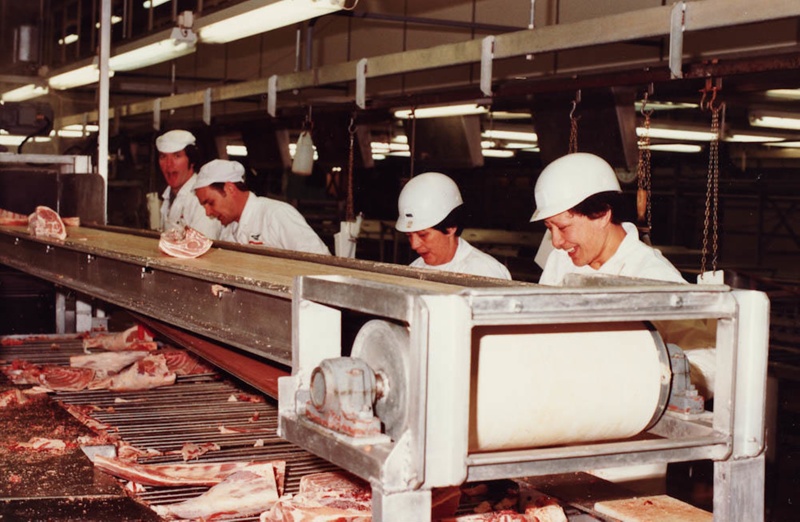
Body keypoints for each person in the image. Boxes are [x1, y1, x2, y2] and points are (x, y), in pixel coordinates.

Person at [530, 152, 686, 285]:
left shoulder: (654, 277)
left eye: (563, 227)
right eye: (550, 228)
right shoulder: (560, 260)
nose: (556, 243)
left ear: (602, 215)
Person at [194, 159, 331, 255]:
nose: (207, 212)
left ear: (230, 188)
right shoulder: (228, 230)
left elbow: (321, 262)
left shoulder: (276, 215)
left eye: (210, 203)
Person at [396, 172, 511, 280]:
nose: (414, 245)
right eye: (409, 236)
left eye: (423, 235)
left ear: (450, 228)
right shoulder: (413, 270)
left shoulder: (484, 273)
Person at [156, 129, 222, 239]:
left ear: (191, 161)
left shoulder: (201, 200)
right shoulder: (168, 195)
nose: (169, 164)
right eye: (163, 157)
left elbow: (201, 248)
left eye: (177, 156)